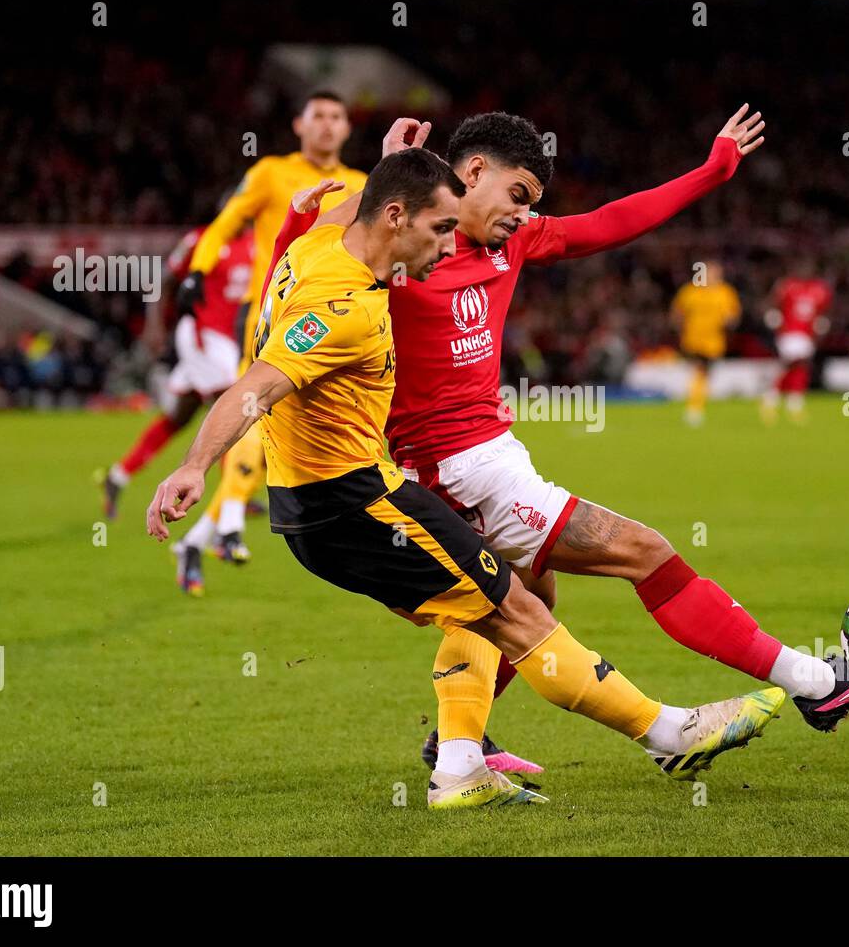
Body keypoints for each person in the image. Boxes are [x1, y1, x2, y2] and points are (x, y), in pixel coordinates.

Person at [146, 148, 786, 809]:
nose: (448, 246)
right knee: (518, 610)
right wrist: (196, 464)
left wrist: (388, 158)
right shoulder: (349, 309)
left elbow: (323, 222)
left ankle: (457, 767)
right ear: (396, 218)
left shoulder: (316, 248)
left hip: (321, 504)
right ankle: (669, 732)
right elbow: (256, 388)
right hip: (356, 504)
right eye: (439, 230)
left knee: (487, 603)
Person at [269, 109, 849, 781]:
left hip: (484, 456)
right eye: (518, 195)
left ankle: (459, 752)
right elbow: (319, 264)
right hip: (459, 468)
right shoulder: (404, 253)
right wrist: (375, 174)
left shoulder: (513, 244)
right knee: (644, 554)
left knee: (517, 600)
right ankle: (811, 682)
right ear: (473, 172)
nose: (522, 215)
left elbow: (612, 223)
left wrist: (710, 172)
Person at [117, 91, 366, 589]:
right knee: (254, 409)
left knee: (290, 435)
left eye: (336, 117)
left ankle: (201, 537)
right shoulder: (271, 173)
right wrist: (198, 272)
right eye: (317, 115)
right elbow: (225, 223)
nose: (326, 125)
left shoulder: (362, 185)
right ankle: (229, 521)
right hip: (273, 315)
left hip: (340, 323)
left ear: (347, 128)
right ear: (298, 124)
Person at [98, 225, 253, 554]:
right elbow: (166, 279)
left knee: (180, 417)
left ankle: (118, 475)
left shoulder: (257, 243)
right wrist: (155, 325)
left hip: (227, 344)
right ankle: (232, 504)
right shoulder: (203, 239)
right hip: (203, 337)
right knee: (234, 412)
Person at [671, 260, 742, 426]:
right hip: (694, 339)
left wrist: (729, 322)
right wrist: (679, 328)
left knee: (703, 373)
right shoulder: (691, 291)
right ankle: (694, 409)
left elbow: (733, 315)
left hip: (714, 341)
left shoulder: (725, 292)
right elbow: (677, 312)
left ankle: (695, 406)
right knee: (700, 370)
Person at [762, 260, 832, 423]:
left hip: (807, 335)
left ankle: (791, 401)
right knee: (793, 363)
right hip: (789, 332)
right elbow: (772, 304)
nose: (804, 269)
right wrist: (773, 318)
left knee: (800, 367)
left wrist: (821, 326)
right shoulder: (787, 286)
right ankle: (773, 397)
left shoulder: (819, 289)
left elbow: (825, 311)